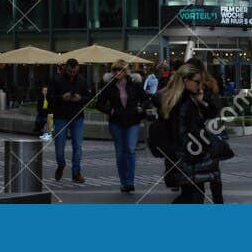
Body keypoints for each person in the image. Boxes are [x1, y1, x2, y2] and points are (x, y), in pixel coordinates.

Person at [158, 61, 225, 203]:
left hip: (189, 156)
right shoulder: (181, 102)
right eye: (197, 82)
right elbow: (181, 132)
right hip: (186, 157)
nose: (200, 86)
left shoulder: (187, 98)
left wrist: (201, 103)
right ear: (185, 80)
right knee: (193, 197)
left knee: (194, 197)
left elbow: (210, 114)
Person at [96, 60, 146, 193]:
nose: (117, 72)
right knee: (120, 153)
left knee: (130, 150)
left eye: (121, 70)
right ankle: (123, 182)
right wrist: (110, 111)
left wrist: (141, 108)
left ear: (126, 71)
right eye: (115, 70)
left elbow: (146, 99)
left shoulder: (134, 85)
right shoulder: (109, 86)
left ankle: (130, 182)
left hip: (133, 121)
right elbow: (99, 104)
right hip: (116, 123)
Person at [47, 57, 91, 184]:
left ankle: (76, 173)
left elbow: (88, 98)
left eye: (75, 71)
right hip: (60, 117)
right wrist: (62, 97)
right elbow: (49, 97)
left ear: (78, 68)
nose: (73, 73)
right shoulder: (56, 79)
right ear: (66, 68)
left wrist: (80, 98)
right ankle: (61, 165)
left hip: (77, 117)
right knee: (59, 147)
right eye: (71, 71)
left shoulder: (82, 80)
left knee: (78, 146)